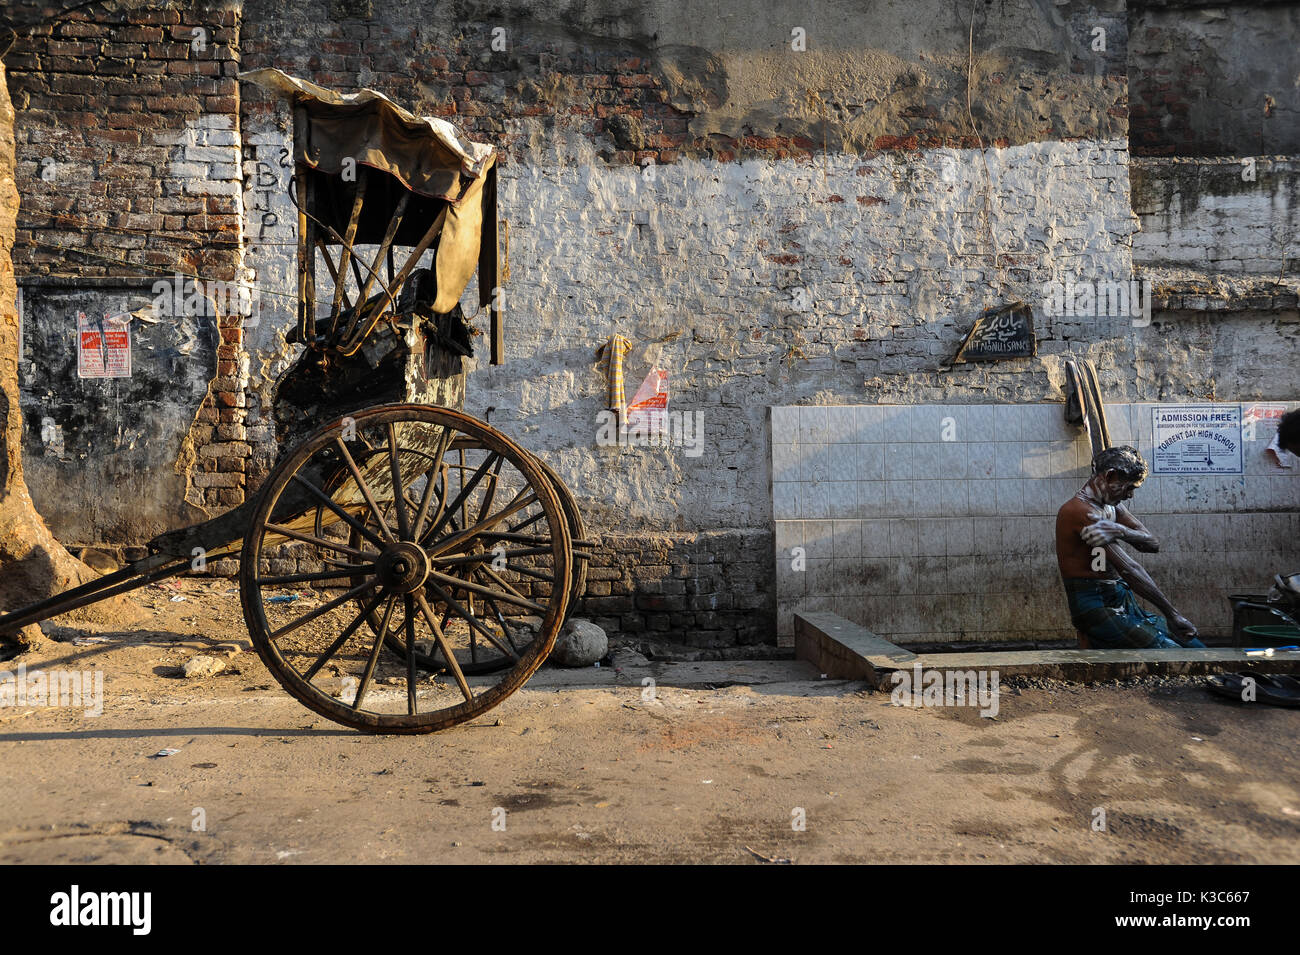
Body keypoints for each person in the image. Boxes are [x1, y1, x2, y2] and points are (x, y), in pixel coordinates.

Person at [1055, 445, 1205, 649]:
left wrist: (1121, 531)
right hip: (1095, 605)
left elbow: (1152, 543)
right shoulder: (1080, 511)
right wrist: (1173, 614)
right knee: (1172, 652)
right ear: (1109, 476)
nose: (1130, 496)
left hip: (1121, 600)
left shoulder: (1112, 506)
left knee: (1195, 645)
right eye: (1129, 487)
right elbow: (1129, 569)